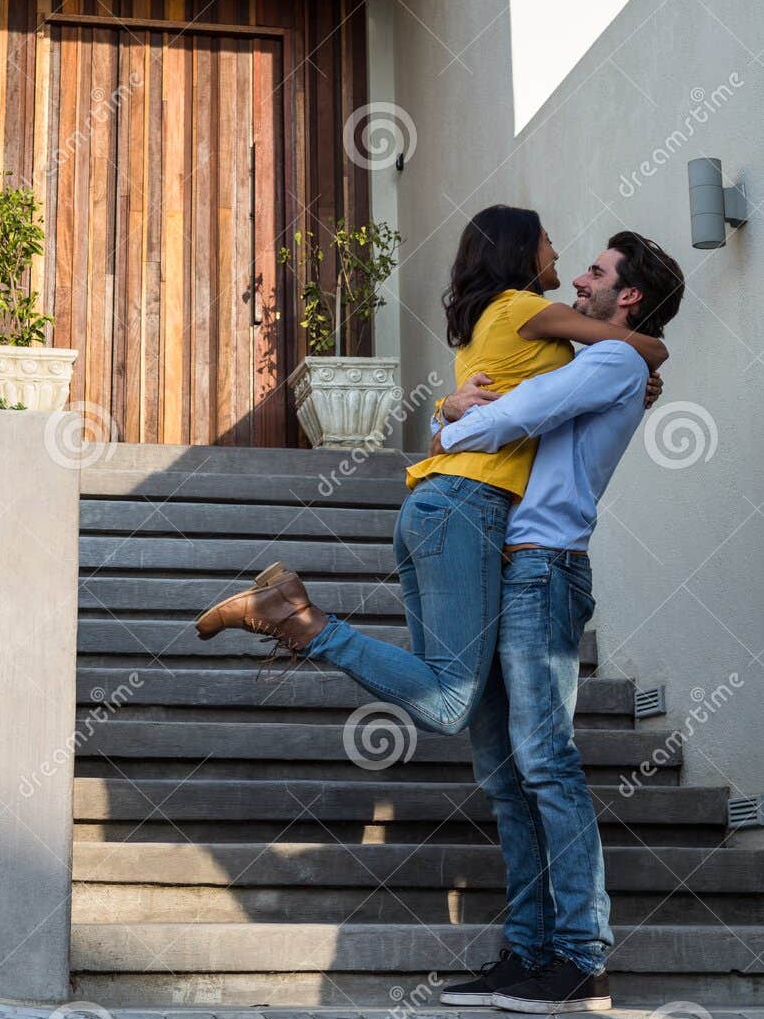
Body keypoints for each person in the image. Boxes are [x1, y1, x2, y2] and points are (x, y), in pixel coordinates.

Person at [195, 206, 666, 737]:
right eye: (548, 241)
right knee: (446, 700)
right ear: (519, 251)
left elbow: (524, 394)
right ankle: (299, 621)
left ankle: (297, 618)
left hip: (437, 504)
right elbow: (640, 348)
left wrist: (445, 410)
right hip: (469, 503)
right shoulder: (525, 307)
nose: (558, 255)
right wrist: (650, 363)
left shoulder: (488, 317)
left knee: (444, 685)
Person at [435, 231, 686, 1014]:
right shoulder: (601, 359)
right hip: (514, 561)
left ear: (629, 296)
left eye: (597, 272)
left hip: (544, 567)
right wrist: (454, 404)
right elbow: (513, 401)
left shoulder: (610, 361)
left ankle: (579, 959)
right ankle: (529, 952)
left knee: (544, 762)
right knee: (508, 776)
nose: (578, 280)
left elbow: (501, 422)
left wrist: (448, 423)